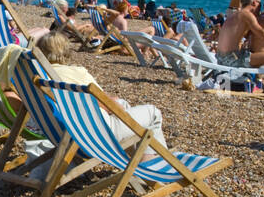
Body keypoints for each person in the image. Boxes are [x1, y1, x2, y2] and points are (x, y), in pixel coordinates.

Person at [35, 32, 167, 158]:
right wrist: (113, 104)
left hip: (67, 132)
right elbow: (103, 103)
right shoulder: (76, 72)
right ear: (66, 51)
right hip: (97, 134)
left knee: (123, 104)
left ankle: (136, 157)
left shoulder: (39, 76)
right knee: (153, 113)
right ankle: (150, 165)